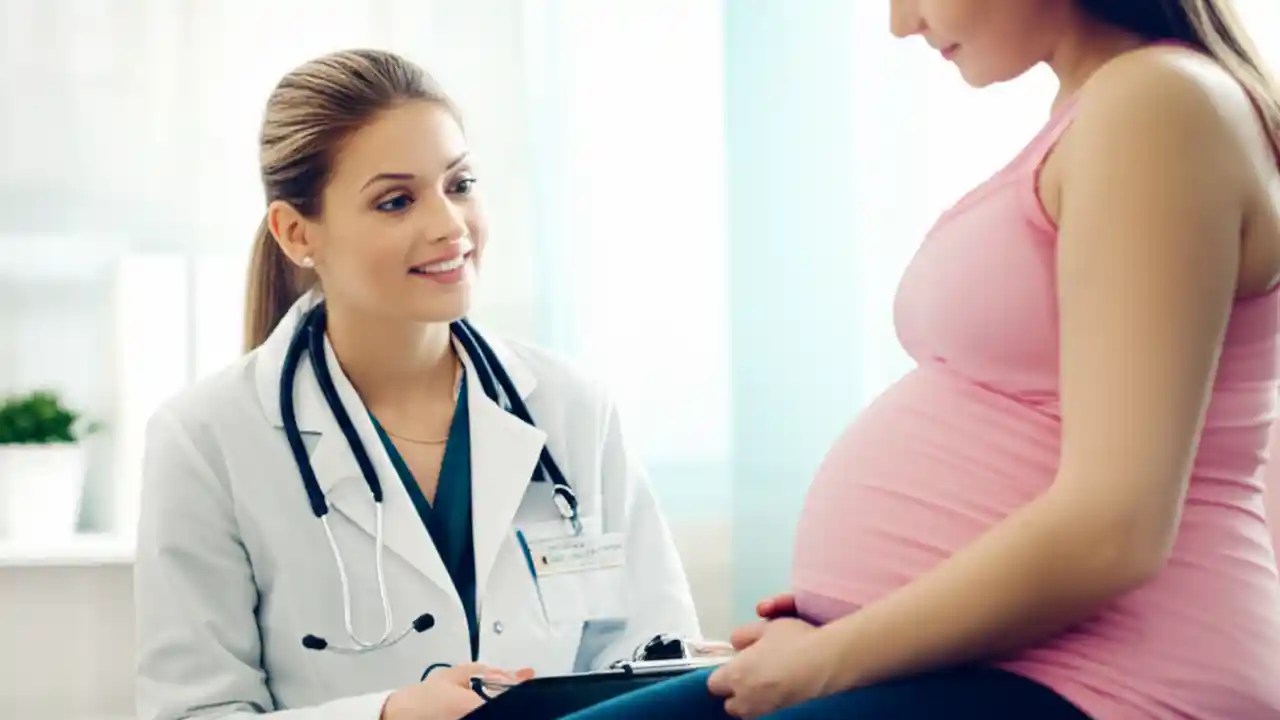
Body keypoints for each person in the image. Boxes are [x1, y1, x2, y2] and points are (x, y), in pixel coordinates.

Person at [566, 1, 1280, 718]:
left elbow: (1113, 531)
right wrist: (865, 612)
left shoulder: (1159, 103)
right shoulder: (1108, 106)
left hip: (1110, 682)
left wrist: (823, 661)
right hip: (987, 662)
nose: (900, 23)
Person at [133, 49, 700, 720]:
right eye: (396, 201)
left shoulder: (570, 406)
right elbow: (193, 712)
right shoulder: (207, 440)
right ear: (295, 232)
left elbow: (656, 660)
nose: (449, 225)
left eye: (459, 184)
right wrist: (385, 715)